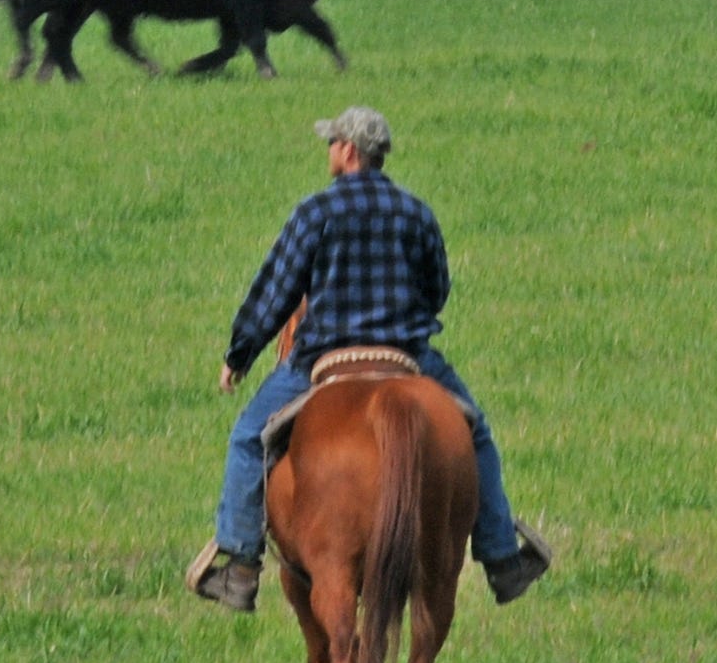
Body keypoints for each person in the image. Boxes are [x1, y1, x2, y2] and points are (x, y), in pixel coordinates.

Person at [185, 106, 551, 613]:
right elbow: (437, 290)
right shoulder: (416, 212)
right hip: (407, 353)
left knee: (248, 438)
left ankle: (242, 567)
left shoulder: (315, 212)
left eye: (332, 143)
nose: (329, 151)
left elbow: (277, 291)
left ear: (349, 151)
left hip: (322, 355)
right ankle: (502, 559)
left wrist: (240, 353)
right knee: (477, 433)